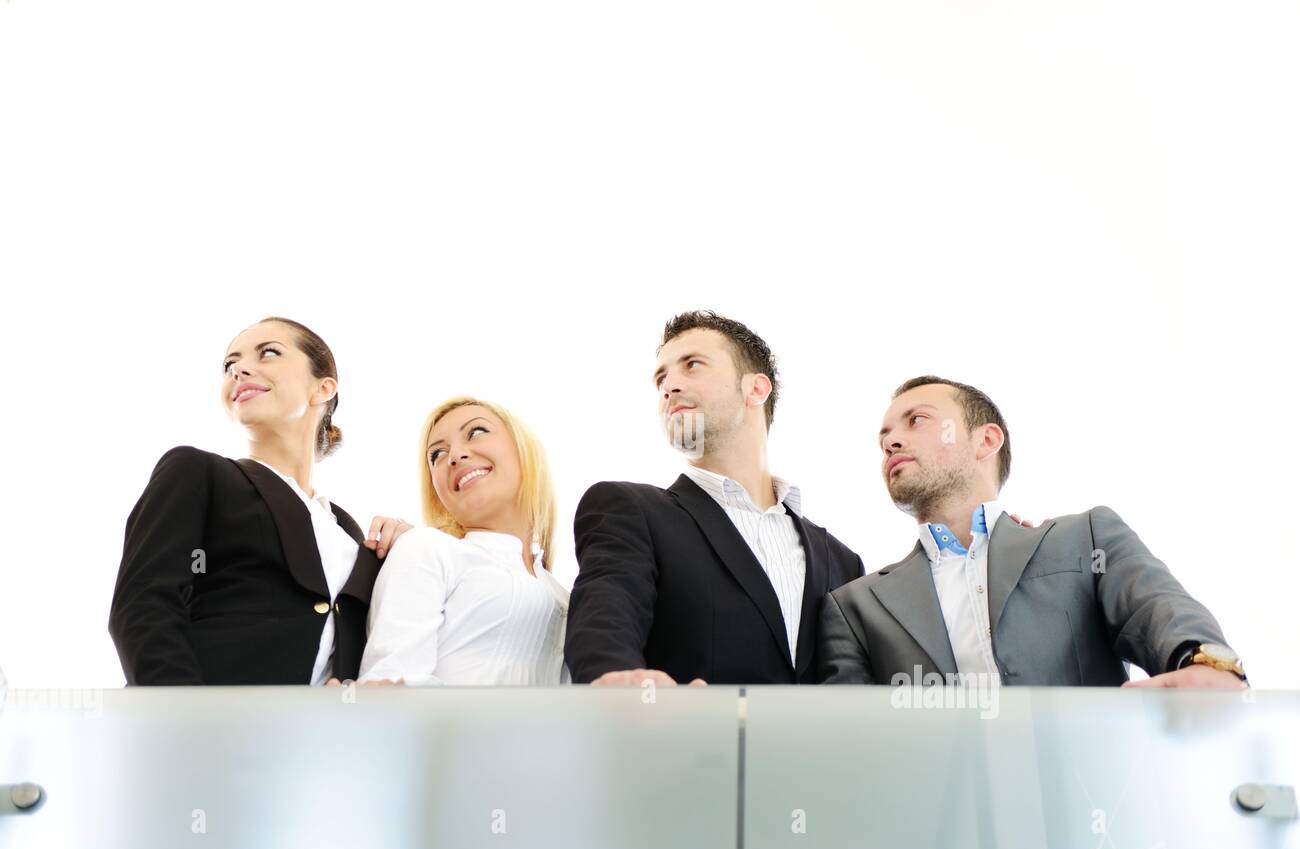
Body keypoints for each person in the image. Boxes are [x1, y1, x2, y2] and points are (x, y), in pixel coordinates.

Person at [818, 375, 1246, 688]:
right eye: (884, 437)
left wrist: (1208, 664)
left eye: (916, 421)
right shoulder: (855, 607)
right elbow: (854, 747)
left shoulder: (1085, 540)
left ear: (986, 440)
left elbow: (1157, 609)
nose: (891, 442)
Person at [565, 310, 865, 686]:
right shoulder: (629, 510)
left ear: (756, 388)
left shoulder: (843, 561)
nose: (668, 386)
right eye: (661, 377)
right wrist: (615, 679)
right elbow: (606, 615)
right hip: (686, 741)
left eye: (692, 365)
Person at [108, 317, 410, 685]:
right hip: (209, 729)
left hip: (319, 735)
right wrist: (188, 721)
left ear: (324, 387)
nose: (240, 370)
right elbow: (143, 607)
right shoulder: (197, 473)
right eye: (229, 365)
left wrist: (409, 549)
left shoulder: (347, 529)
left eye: (268, 353)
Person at [357, 397, 568, 686]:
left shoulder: (561, 592)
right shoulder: (425, 548)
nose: (454, 456)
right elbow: (390, 686)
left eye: (477, 432)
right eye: (437, 455)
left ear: (523, 449)